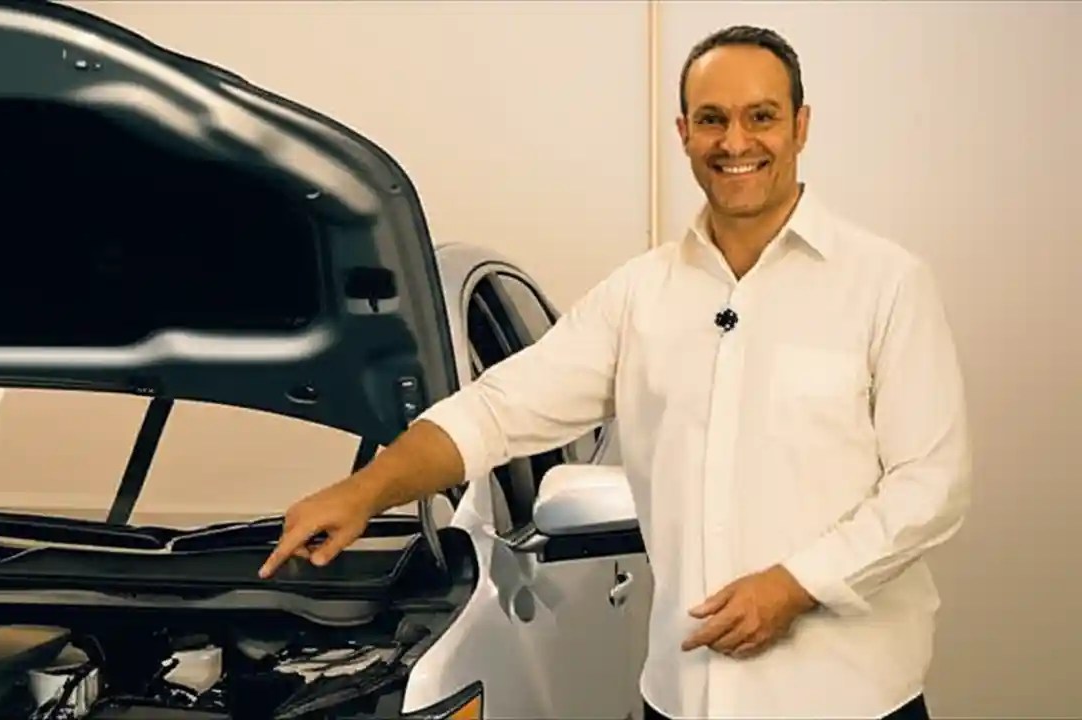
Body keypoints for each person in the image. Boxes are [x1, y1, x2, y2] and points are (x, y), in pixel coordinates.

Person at [257, 24, 972, 720]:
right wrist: (363, 491)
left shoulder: (886, 284)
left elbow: (930, 485)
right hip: (683, 694)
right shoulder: (642, 296)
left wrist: (796, 585)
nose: (736, 142)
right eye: (712, 119)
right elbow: (499, 409)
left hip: (846, 698)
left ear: (800, 125)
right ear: (684, 131)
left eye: (762, 117)